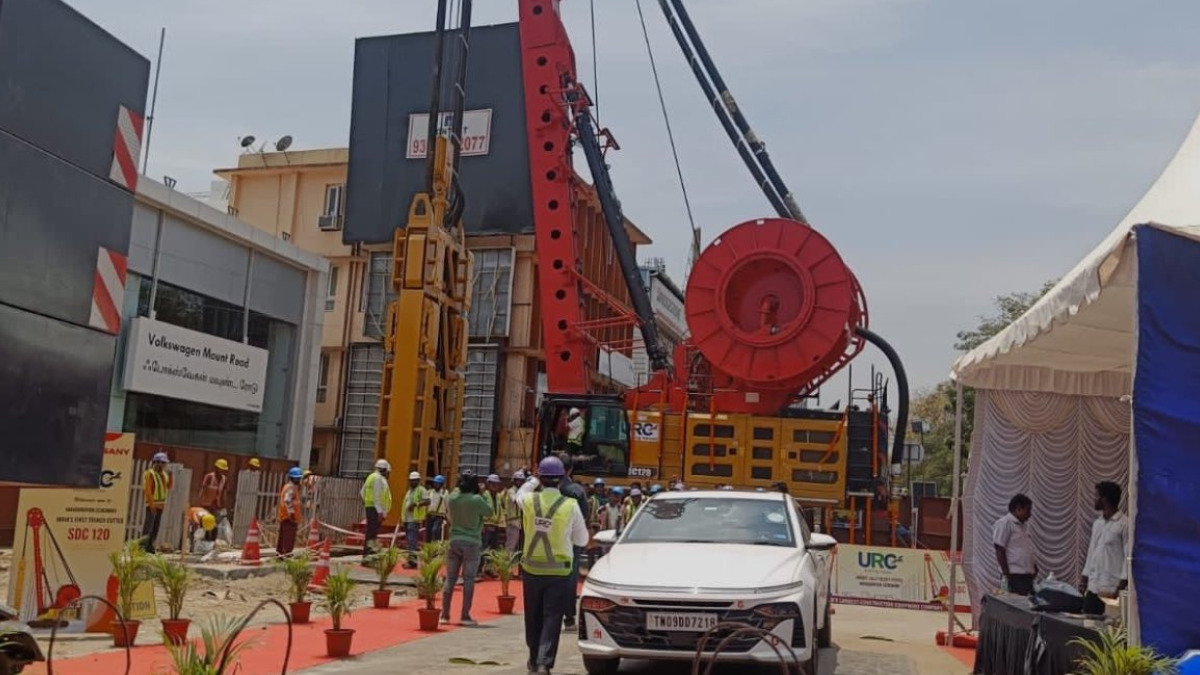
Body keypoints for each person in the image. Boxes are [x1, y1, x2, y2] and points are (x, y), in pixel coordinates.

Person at [518, 456, 589, 675]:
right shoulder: (570, 505)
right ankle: (543, 663)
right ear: (561, 479)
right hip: (559, 572)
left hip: (531, 569)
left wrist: (532, 480)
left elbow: (519, 493)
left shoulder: (529, 501)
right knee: (552, 617)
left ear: (541, 478)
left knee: (533, 615)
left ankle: (532, 658)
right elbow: (582, 540)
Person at [443, 470, 493, 627]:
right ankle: (465, 615)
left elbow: (455, 492)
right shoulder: (477, 499)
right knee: (469, 579)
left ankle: (445, 615)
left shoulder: (453, 498)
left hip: (454, 540)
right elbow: (490, 512)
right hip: (472, 542)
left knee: (450, 579)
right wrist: (484, 493)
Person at [1080, 481, 1129, 614]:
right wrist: (1084, 579)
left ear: (1105, 499)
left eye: (1096, 496)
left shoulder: (1124, 524)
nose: (1094, 499)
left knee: (1106, 630)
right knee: (1086, 627)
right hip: (1093, 586)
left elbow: (1128, 559)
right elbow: (1091, 553)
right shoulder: (1098, 523)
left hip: (1111, 589)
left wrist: (1120, 588)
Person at [555, 453, 590, 632]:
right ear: (570, 469)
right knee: (569, 579)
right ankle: (569, 618)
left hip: (549, 540)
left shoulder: (543, 491)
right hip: (571, 541)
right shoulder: (576, 490)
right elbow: (585, 516)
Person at [992, 494, 1037, 595]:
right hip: (1014, 575)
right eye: (1028, 510)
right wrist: (1006, 574)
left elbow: (1023, 548)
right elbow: (999, 548)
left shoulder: (1023, 526)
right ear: (1018, 509)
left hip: (1026, 575)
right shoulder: (1005, 523)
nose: (1030, 514)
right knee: (1016, 606)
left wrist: (1033, 566)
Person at [141, 452, 173, 552]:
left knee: (155, 528)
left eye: (164, 463)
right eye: (162, 463)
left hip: (160, 505)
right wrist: (151, 504)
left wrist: (171, 477)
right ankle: (142, 547)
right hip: (152, 505)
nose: (164, 465)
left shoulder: (164, 474)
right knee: (148, 528)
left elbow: (168, 487)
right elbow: (148, 490)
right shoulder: (150, 474)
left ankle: (150, 547)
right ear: (156, 462)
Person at [360, 459, 392, 555]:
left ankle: (367, 554)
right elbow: (377, 496)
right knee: (372, 534)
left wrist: (367, 503)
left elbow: (362, 493)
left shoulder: (371, 477)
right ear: (384, 470)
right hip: (375, 509)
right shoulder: (378, 479)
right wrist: (380, 512)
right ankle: (368, 556)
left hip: (370, 508)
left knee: (370, 533)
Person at [402, 471, 430, 568]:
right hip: (407, 519)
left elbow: (427, 501)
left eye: (414, 480)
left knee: (412, 541)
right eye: (411, 480)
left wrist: (416, 504)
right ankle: (410, 560)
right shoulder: (409, 491)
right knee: (409, 541)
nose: (412, 482)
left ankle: (412, 562)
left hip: (414, 519)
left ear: (418, 481)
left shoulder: (421, 490)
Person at [277, 467, 303, 555]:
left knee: (283, 538)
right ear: (293, 478)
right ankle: (286, 555)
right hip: (289, 518)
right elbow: (287, 501)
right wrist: (291, 515)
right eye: (298, 478)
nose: (299, 480)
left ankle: (281, 554)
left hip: (285, 517)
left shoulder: (289, 487)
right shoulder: (291, 488)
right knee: (288, 538)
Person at [505, 471, 526, 554]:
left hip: (520, 522)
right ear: (514, 481)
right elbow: (516, 500)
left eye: (522, 481)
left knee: (518, 547)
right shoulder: (511, 491)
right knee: (511, 546)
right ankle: (505, 564)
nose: (520, 482)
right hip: (513, 522)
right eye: (518, 480)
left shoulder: (522, 491)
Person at [427, 475, 449, 541]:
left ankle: (435, 546)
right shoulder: (430, 492)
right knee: (429, 531)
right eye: (435, 483)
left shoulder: (445, 493)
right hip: (430, 514)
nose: (435, 485)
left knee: (435, 530)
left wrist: (448, 517)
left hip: (439, 515)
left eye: (437, 483)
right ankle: (428, 547)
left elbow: (448, 505)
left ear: (441, 484)